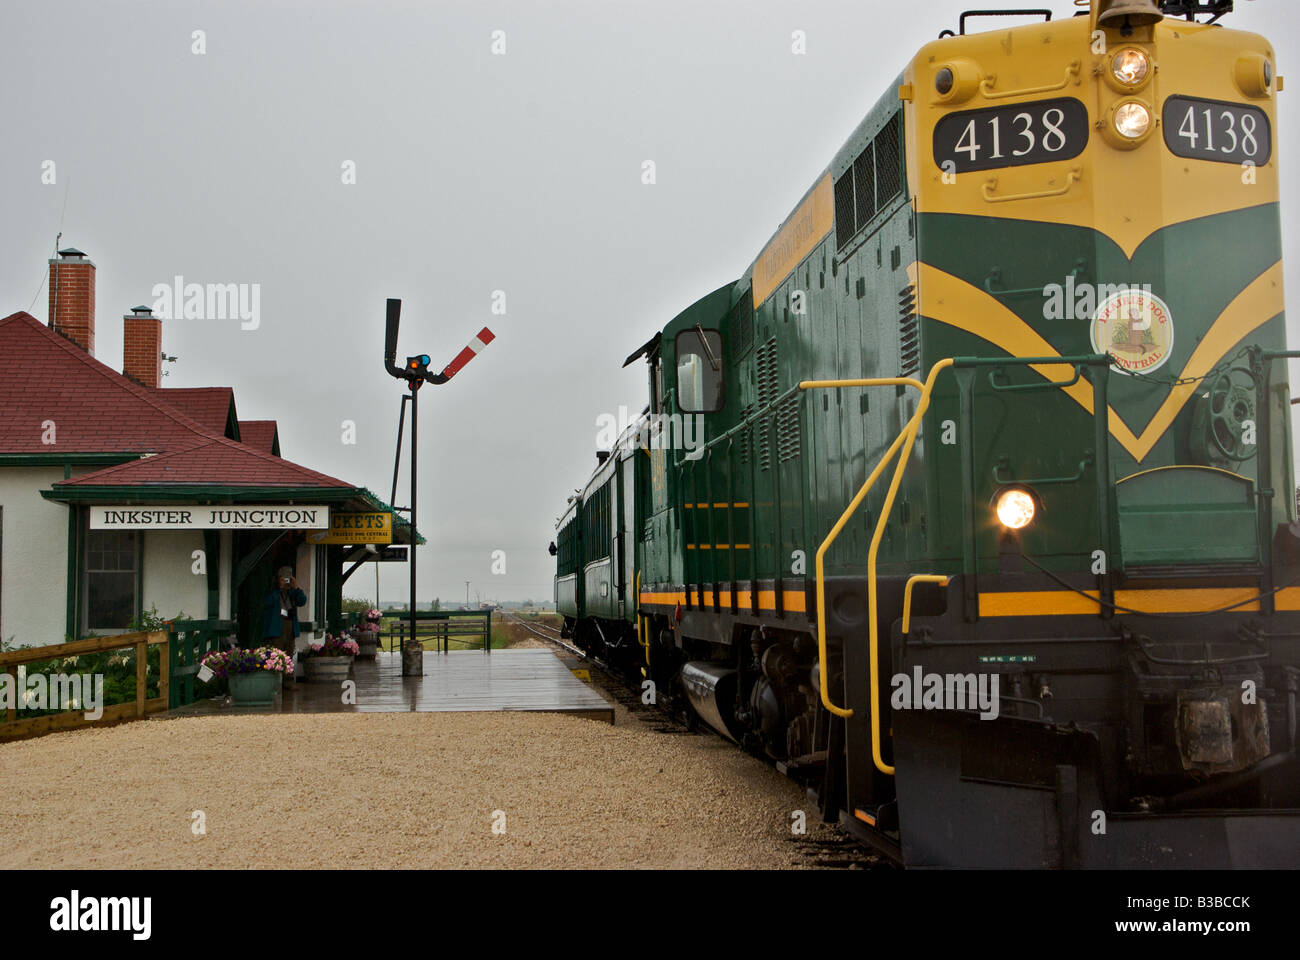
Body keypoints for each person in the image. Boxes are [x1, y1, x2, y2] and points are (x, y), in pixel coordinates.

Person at [263, 566, 307, 684]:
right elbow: (268, 602)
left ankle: (288, 682)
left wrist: (296, 587)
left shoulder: (293, 592)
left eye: (288, 578)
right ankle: (274, 681)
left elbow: (302, 601)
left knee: (289, 654)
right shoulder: (273, 591)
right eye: (283, 578)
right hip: (277, 626)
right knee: (276, 653)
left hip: (290, 624)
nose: (286, 581)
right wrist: (280, 588)